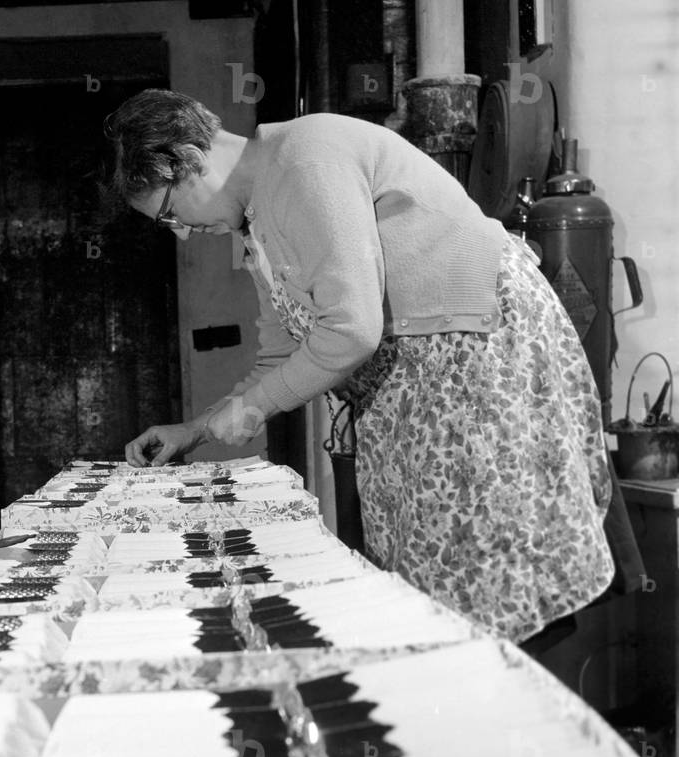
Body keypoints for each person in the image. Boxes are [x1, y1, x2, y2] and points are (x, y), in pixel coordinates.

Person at [104, 89, 614, 643]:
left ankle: (509, 705)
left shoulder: (303, 159)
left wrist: (252, 409)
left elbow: (351, 330)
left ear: (188, 159)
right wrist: (197, 430)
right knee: (430, 575)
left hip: (476, 351)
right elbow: (282, 355)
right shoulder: (257, 225)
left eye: (169, 213)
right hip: (416, 376)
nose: (180, 231)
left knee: (489, 557)